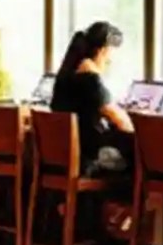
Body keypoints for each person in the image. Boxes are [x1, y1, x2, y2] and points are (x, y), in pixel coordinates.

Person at [51, 21, 134, 176]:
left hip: (66, 158)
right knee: (138, 162)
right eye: (111, 54)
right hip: (89, 160)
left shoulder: (64, 77)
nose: (111, 61)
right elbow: (121, 121)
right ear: (103, 50)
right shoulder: (91, 80)